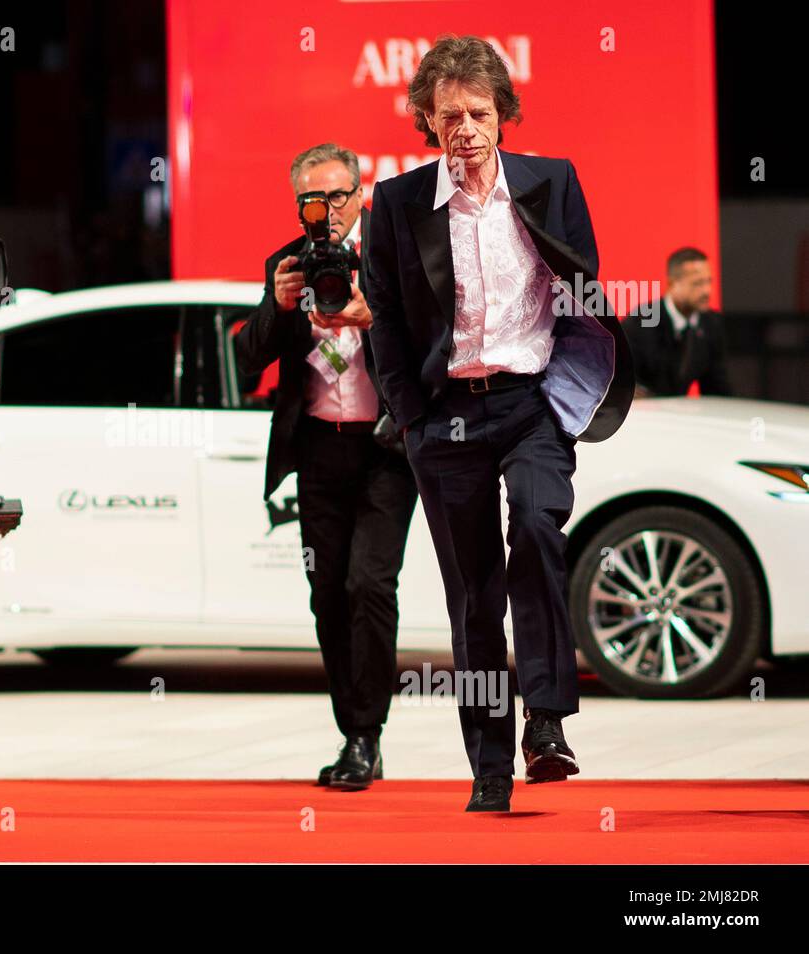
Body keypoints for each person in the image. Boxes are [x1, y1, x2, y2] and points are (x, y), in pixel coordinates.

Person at [362, 35, 634, 812]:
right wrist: (410, 418)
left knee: (542, 531)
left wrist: (578, 381)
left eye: (479, 113)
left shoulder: (552, 184)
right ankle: (489, 768)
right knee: (473, 597)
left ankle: (545, 723)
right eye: (449, 116)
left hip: (530, 406)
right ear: (426, 119)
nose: (466, 130)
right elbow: (385, 323)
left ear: (504, 115)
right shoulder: (396, 203)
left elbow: (585, 287)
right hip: (442, 418)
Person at [234, 143, 418, 791]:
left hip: (386, 450)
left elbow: (438, 347)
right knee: (327, 594)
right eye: (312, 200)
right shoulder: (284, 263)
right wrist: (278, 307)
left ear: (362, 194)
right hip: (317, 449)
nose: (326, 211)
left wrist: (376, 317)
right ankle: (354, 734)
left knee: (368, 585)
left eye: (338, 196)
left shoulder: (394, 254)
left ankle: (368, 734)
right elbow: (248, 360)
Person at [622, 247, 732, 397]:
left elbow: (717, 387)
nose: (707, 291)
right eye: (697, 283)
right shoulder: (641, 321)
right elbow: (626, 384)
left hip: (681, 415)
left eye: (709, 281)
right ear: (672, 284)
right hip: (645, 415)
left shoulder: (711, 323)